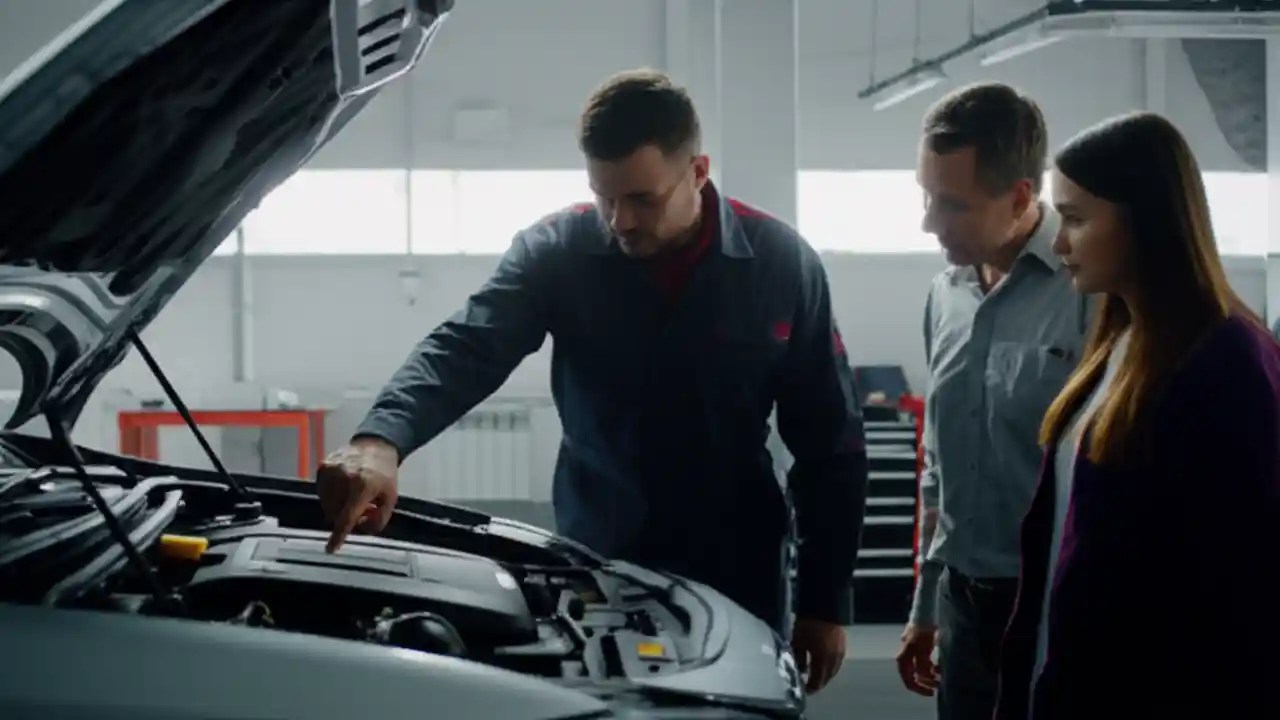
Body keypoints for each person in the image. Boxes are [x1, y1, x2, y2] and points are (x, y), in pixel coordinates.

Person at [315, 68, 869, 693]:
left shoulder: (782, 264)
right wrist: (379, 441)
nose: (620, 221)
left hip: (737, 567)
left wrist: (826, 602)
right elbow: (467, 345)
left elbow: (831, 444)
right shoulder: (558, 251)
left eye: (642, 199)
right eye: (604, 197)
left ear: (698, 171)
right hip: (598, 558)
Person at [994, 112, 1280, 720]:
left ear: (1144, 218)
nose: (1059, 241)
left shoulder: (1229, 359)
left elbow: (1246, 590)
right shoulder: (1118, 342)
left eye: (1075, 218)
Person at [896, 83, 1091, 719]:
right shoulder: (942, 296)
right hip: (962, 603)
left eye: (951, 205)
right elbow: (938, 467)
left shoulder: (1093, 292)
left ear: (1020, 198)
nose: (929, 222)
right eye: (926, 196)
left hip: (1055, 607)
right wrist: (927, 606)